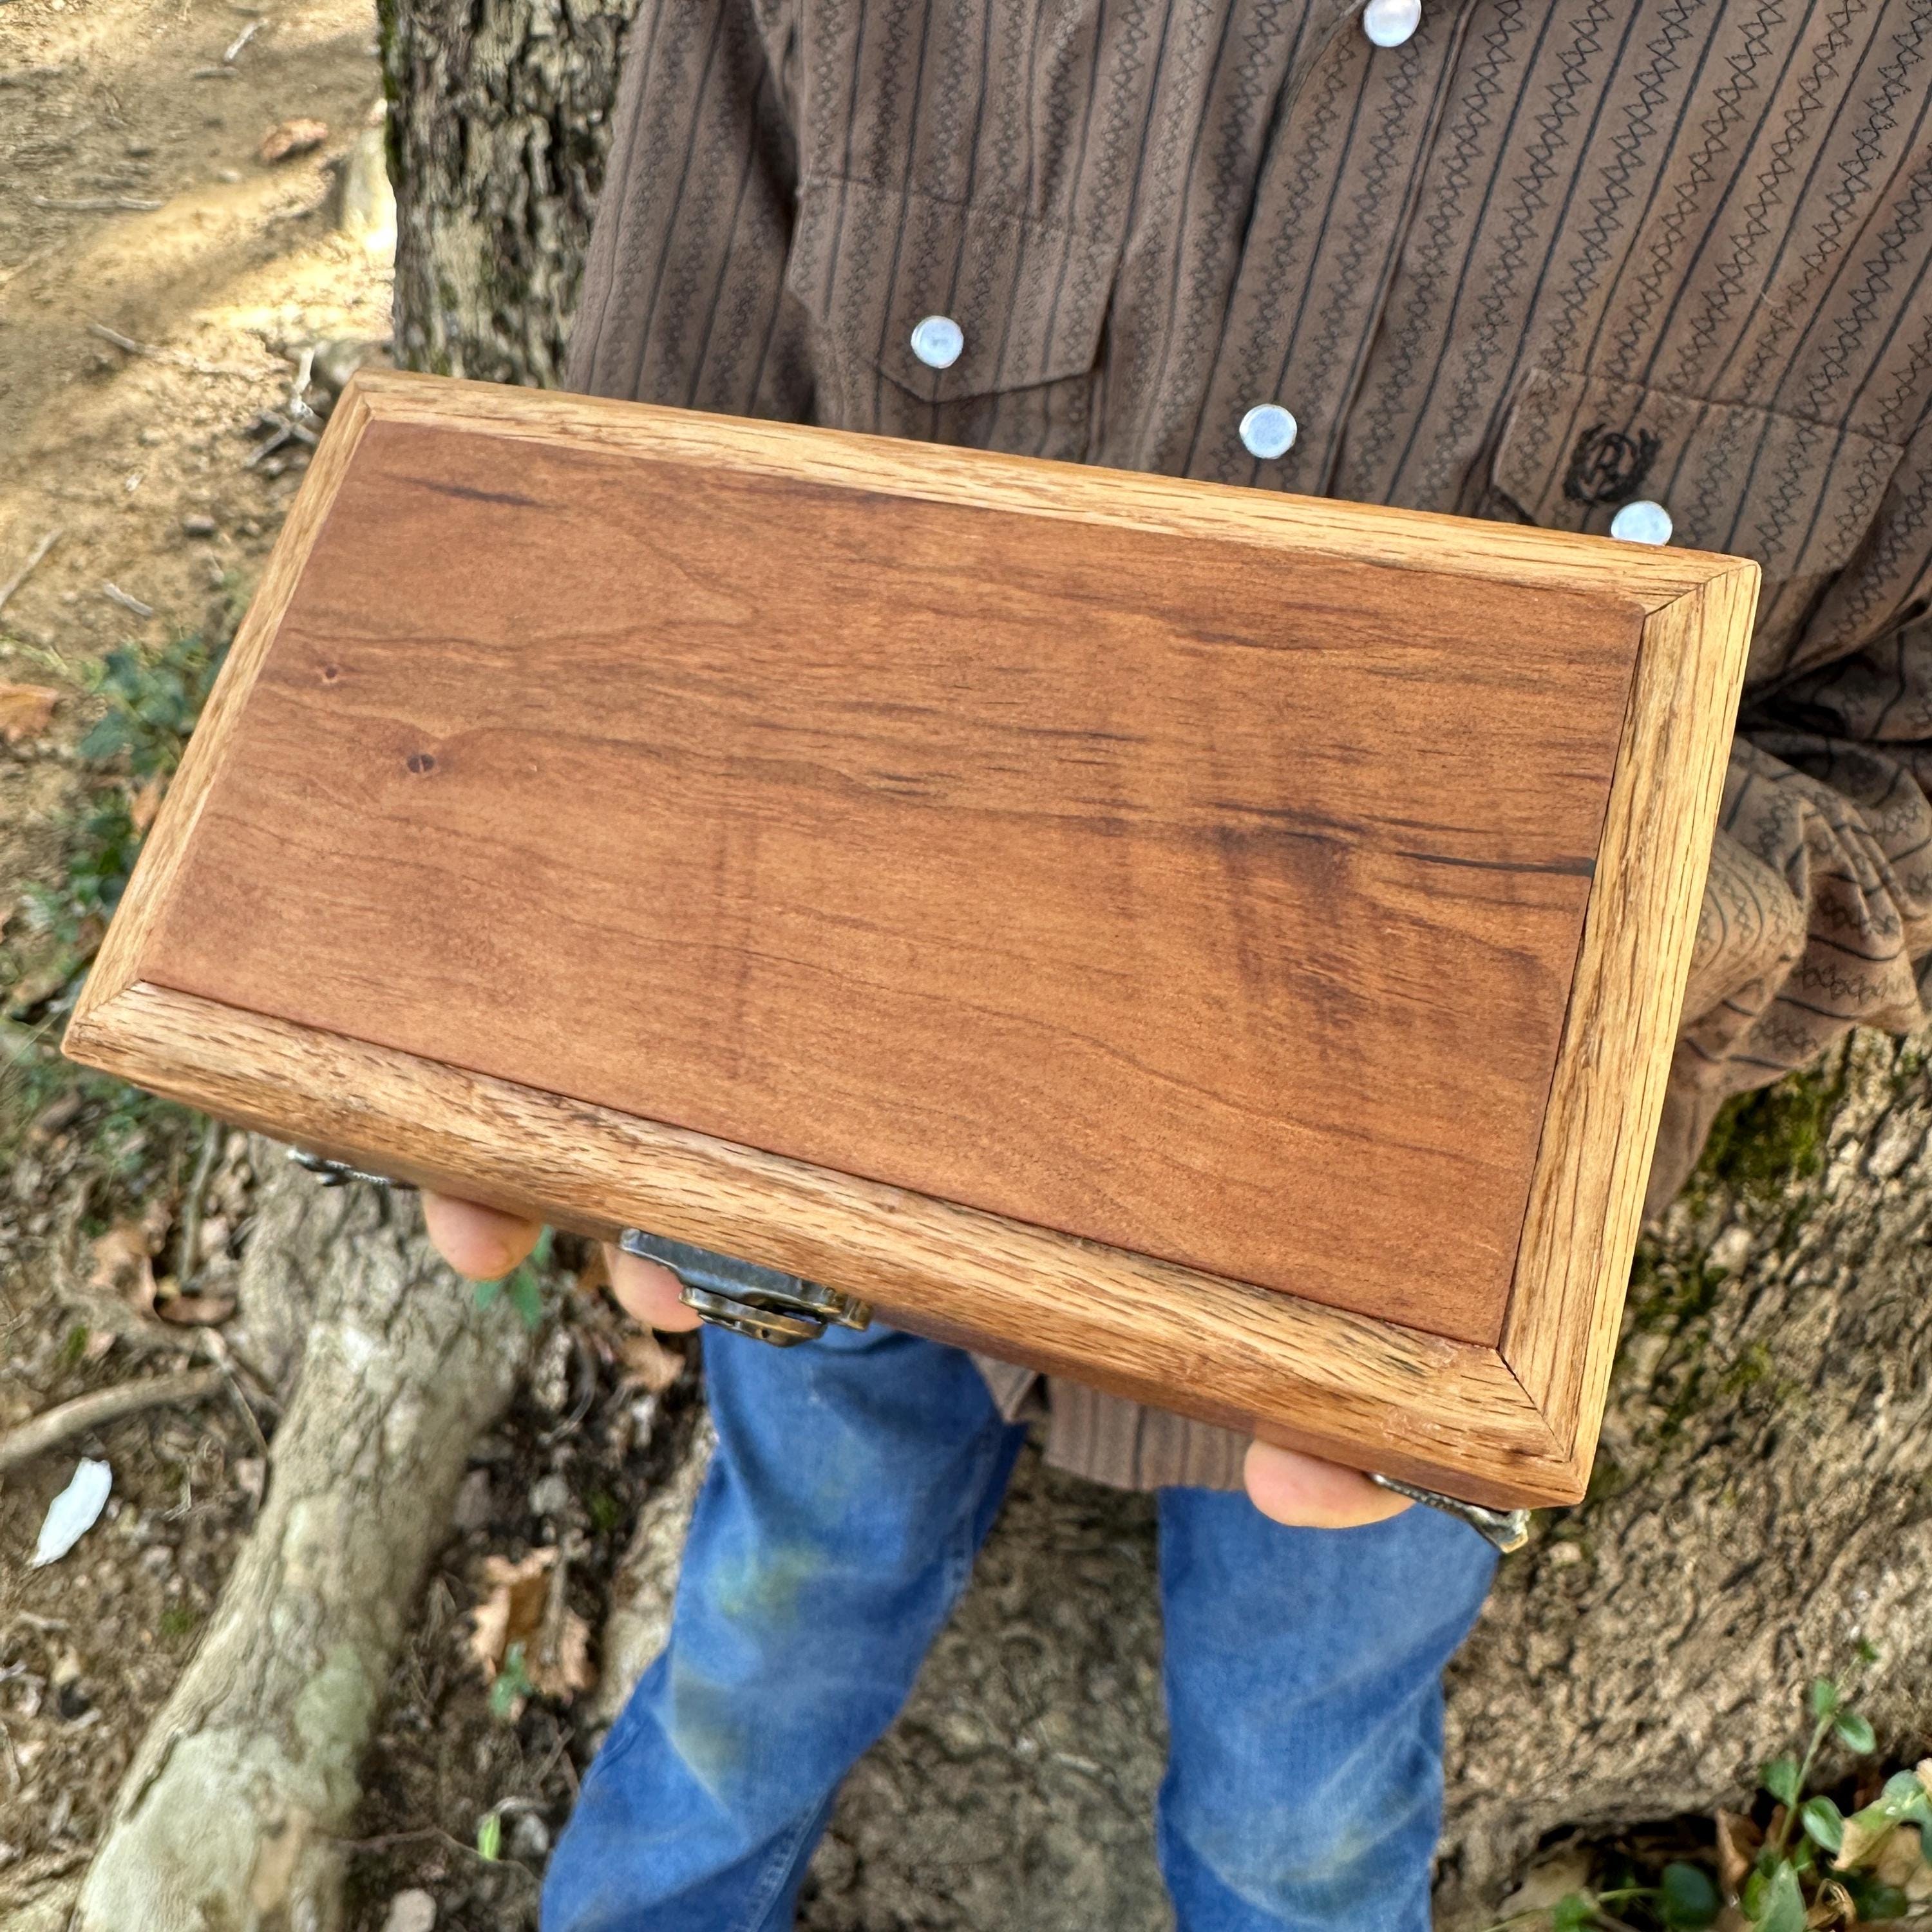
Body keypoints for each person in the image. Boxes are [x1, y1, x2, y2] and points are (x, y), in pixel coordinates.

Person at [422, 4, 1932, 1926]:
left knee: (1298, 1821)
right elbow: (642, 502)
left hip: (1406, 1278)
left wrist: (1567, 964)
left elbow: (1896, 774)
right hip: (835, 1129)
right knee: (764, 1641)